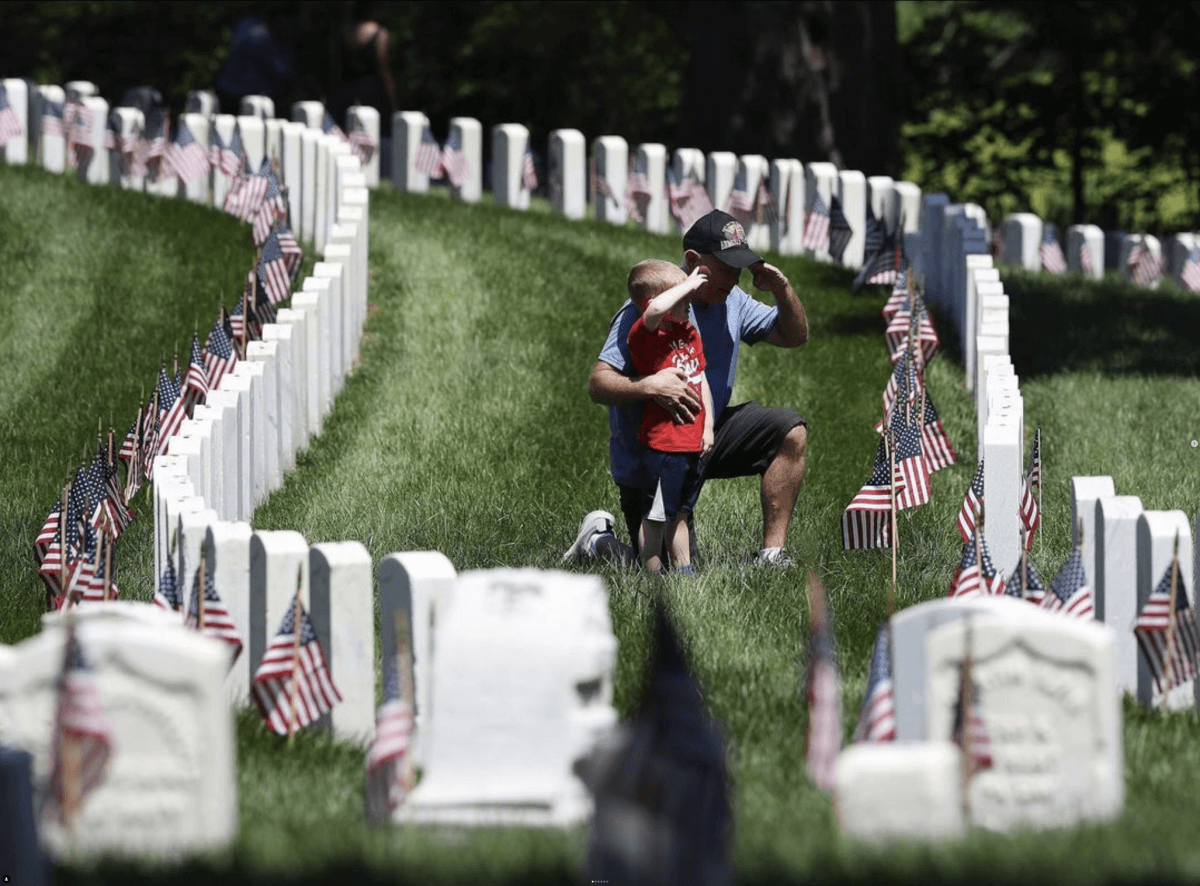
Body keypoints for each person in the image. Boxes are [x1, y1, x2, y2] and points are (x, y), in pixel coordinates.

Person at [564, 210, 809, 567]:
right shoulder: (647, 309)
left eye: (739, 267)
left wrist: (782, 289)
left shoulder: (733, 300)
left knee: (789, 431)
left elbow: (794, 335)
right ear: (694, 261)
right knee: (658, 570)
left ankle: (771, 555)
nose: (735, 278)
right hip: (652, 451)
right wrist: (650, 386)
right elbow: (598, 383)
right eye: (726, 267)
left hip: (705, 433)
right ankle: (598, 542)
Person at [624, 261, 715, 574]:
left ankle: (684, 571)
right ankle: (651, 573)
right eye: (683, 298)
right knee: (655, 515)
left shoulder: (688, 332)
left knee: (681, 513)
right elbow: (652, 312)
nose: (689, 303)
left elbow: (699, 378)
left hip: (691, 444)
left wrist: (709, 428)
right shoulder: (647, 336)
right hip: (665, 446)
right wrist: (688, 284)